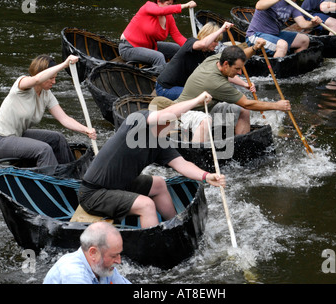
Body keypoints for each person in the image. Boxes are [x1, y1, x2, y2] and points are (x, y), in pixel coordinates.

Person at [77, 92, 225, 229]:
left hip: (119, 186)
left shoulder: (160, 142)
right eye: (172, 122)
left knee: (159, 184)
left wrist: (206, 176)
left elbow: (182, 164)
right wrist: (197, 101)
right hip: (93, 194)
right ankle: (155, 244)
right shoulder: (136, 121)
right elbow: (164, 114)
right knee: (146, 205)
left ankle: (175, 226)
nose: (173, 126)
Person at [0, 54, 97, 167]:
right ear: (42, 74)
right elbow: (37, 79)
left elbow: (64, 119)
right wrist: (64, 64)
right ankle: (51, 180)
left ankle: (69, 175)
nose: (54, 82)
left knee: (57, 138)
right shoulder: (22, 85)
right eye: (51, 78)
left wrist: (86, 130)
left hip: (17, 135)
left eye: (55, 78)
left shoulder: (46, 94)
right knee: (44, 149)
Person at [175, 45, 291, 142]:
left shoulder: (215, 59)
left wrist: (254, 48)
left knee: (242, 111)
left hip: (205, 108)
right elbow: (247, 103)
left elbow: (241, 55)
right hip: (184, 114)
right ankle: (196, 154)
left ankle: (241, 145)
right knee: (206, 119)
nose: (240, 73)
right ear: (226, 64)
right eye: (237, 69)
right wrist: (277, 106)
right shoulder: (217, 84)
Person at [155, 21, 256, 100]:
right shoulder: (191, 43)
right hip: (166, 88)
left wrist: (245, 84)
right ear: (206, 37)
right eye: (215, 41)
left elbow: (224, 72)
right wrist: (221, 29)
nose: (217, 44)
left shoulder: (210, 55)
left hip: (183, 87)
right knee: (202, 95)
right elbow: (203, 44)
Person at [118, 0, 197, 74]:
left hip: (149, 46)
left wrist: (194, 46)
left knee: (178, 49)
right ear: (159, 1)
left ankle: (180, 74)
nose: (171, 7)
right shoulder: (148, 6)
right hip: (129, 47)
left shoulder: (169, 17)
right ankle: (160, 83)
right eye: (168, 4)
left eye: (172, 4)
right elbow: (161, 11)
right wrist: (185, 5)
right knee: (158, 57)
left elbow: (177, 36)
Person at [246, 0, 323, 58]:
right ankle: (274, 71)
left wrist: (313, 23)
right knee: (283, 45)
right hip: (256, 35)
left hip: (275, 35)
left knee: (304, 40)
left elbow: (303, 24)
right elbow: (259, 6)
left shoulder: (293, 4)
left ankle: (294, 65)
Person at [43, 222, 131, 284]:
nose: (119, 261)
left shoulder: (103, 267)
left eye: (119, 254)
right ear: (93, 253)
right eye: (113, 256)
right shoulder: (74, 275)